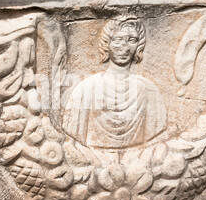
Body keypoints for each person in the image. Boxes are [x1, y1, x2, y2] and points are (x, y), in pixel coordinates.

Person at [63, 17, 167, 148]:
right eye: (118, 39)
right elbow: (73, 137)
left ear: (139, 45)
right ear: (106, 43)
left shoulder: (148, 90)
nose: (124, 47)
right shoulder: (87, 87)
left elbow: (156, 139)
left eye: (132, 40)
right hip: (91, 158)